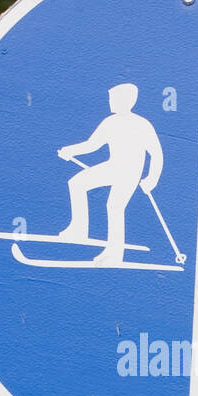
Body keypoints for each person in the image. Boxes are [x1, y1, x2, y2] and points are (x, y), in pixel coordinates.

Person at [57, 83, 163, 265]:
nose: (110, 102)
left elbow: (157, 154)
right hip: (113, 167)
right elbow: (92, 145)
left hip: (130, 172)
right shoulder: (110, 122)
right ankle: (79, 230)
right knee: (77, 183)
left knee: (114, 206)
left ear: (126, 100)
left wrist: (152, 179)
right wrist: (70, 151)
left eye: (113, 98)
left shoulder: (142, 124)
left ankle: (114, 253)